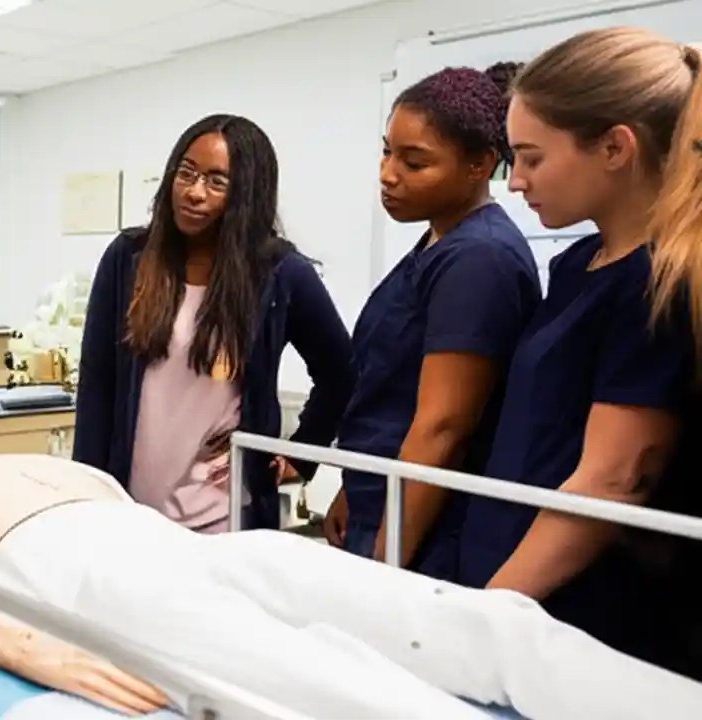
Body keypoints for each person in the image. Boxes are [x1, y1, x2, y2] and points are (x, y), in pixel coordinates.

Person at [0, 391, 702, 720]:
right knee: (324, 678)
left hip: (203, 553)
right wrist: (32, 651)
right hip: (100, 590)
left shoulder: (63, 465)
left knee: (466, 617)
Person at [457, 27, 702, 680]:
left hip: (585, 613)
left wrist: (486, 612)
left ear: (615, 147)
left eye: (531, 159)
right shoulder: (578, 265)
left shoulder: (660, 283)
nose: (516, 182)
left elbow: (614, 481)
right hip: (515, 578)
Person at [73, 114, 355, 533]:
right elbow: (97, 383)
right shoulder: (129, 258)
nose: (194, 192)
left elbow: (342, 373)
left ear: (246, 194)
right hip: (129, 512)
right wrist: (85, 496)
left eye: (216, 181)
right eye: (186, 173)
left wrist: (301, 455)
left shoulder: (280, 273)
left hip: (222, 516)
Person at [330, 65, 542, 578]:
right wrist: (353, 487)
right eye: (387, 152)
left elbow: (442, 428)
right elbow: (391, 391)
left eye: (414, 162)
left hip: (428, 527)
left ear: (480, 165)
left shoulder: (478, 259)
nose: (388, 174)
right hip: (381, 496)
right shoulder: (439, 242)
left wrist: (387, 559)